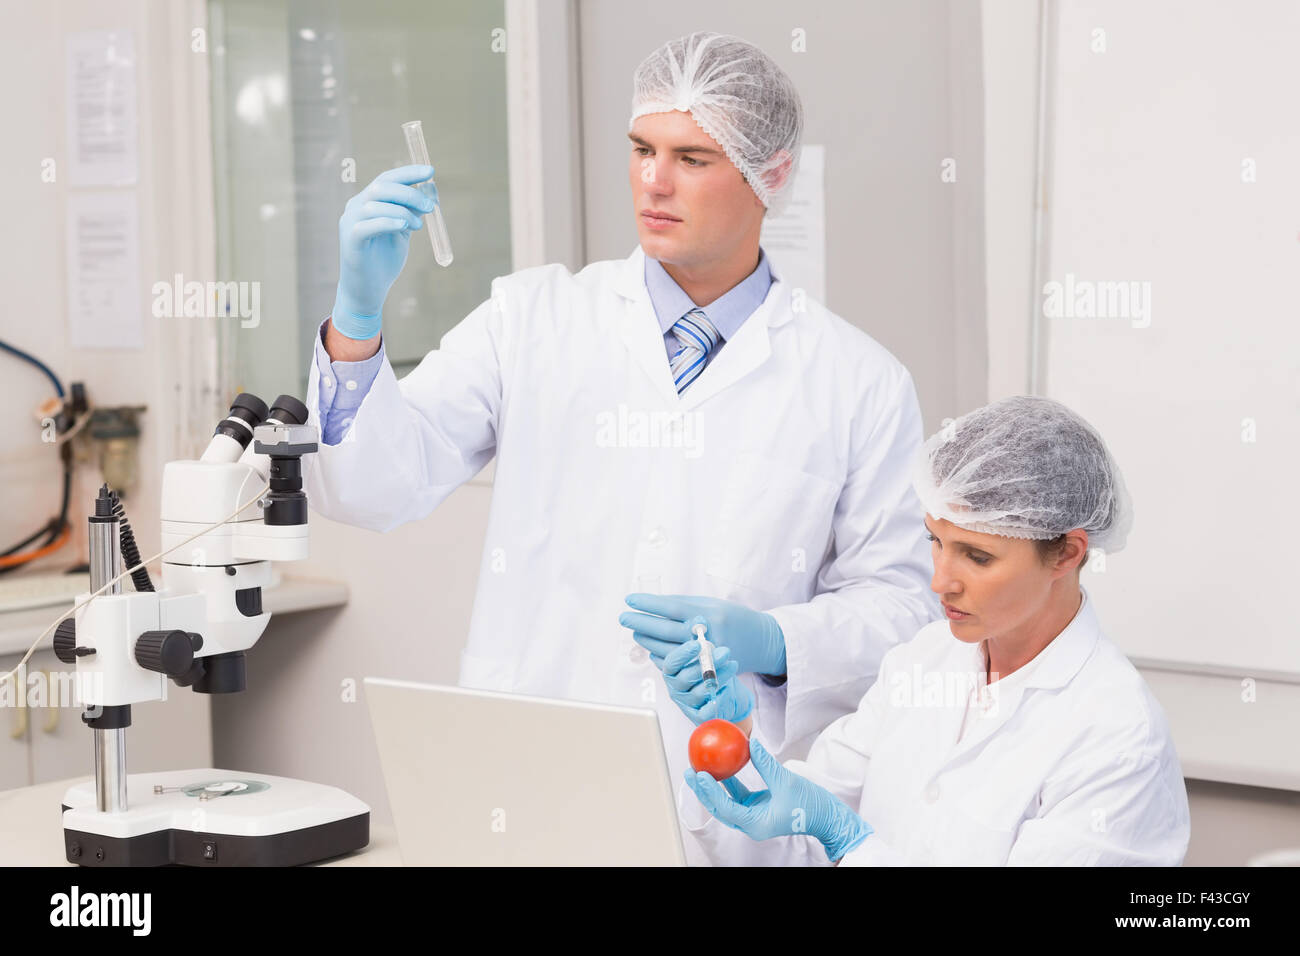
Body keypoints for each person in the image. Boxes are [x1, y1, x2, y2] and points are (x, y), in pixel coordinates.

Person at [304, 32, 939, 863]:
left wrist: (774, 640)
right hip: (525, 787)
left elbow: (906, 609)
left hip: (714, 809)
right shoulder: (530, 319)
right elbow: (371, 489)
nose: (653, 180)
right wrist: (357, 317)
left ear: (770, 176)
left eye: (692, 157)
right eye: (641, 148)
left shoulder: (859, 381)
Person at [663, 396, 1190, 865]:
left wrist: (851, 843)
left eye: (977, 557)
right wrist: (736, 754)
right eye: (935, 540)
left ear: (1068, 553)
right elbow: (797, 835)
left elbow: (839, 838)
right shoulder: (922, 660)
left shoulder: (1117, 736)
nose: (940, 581)